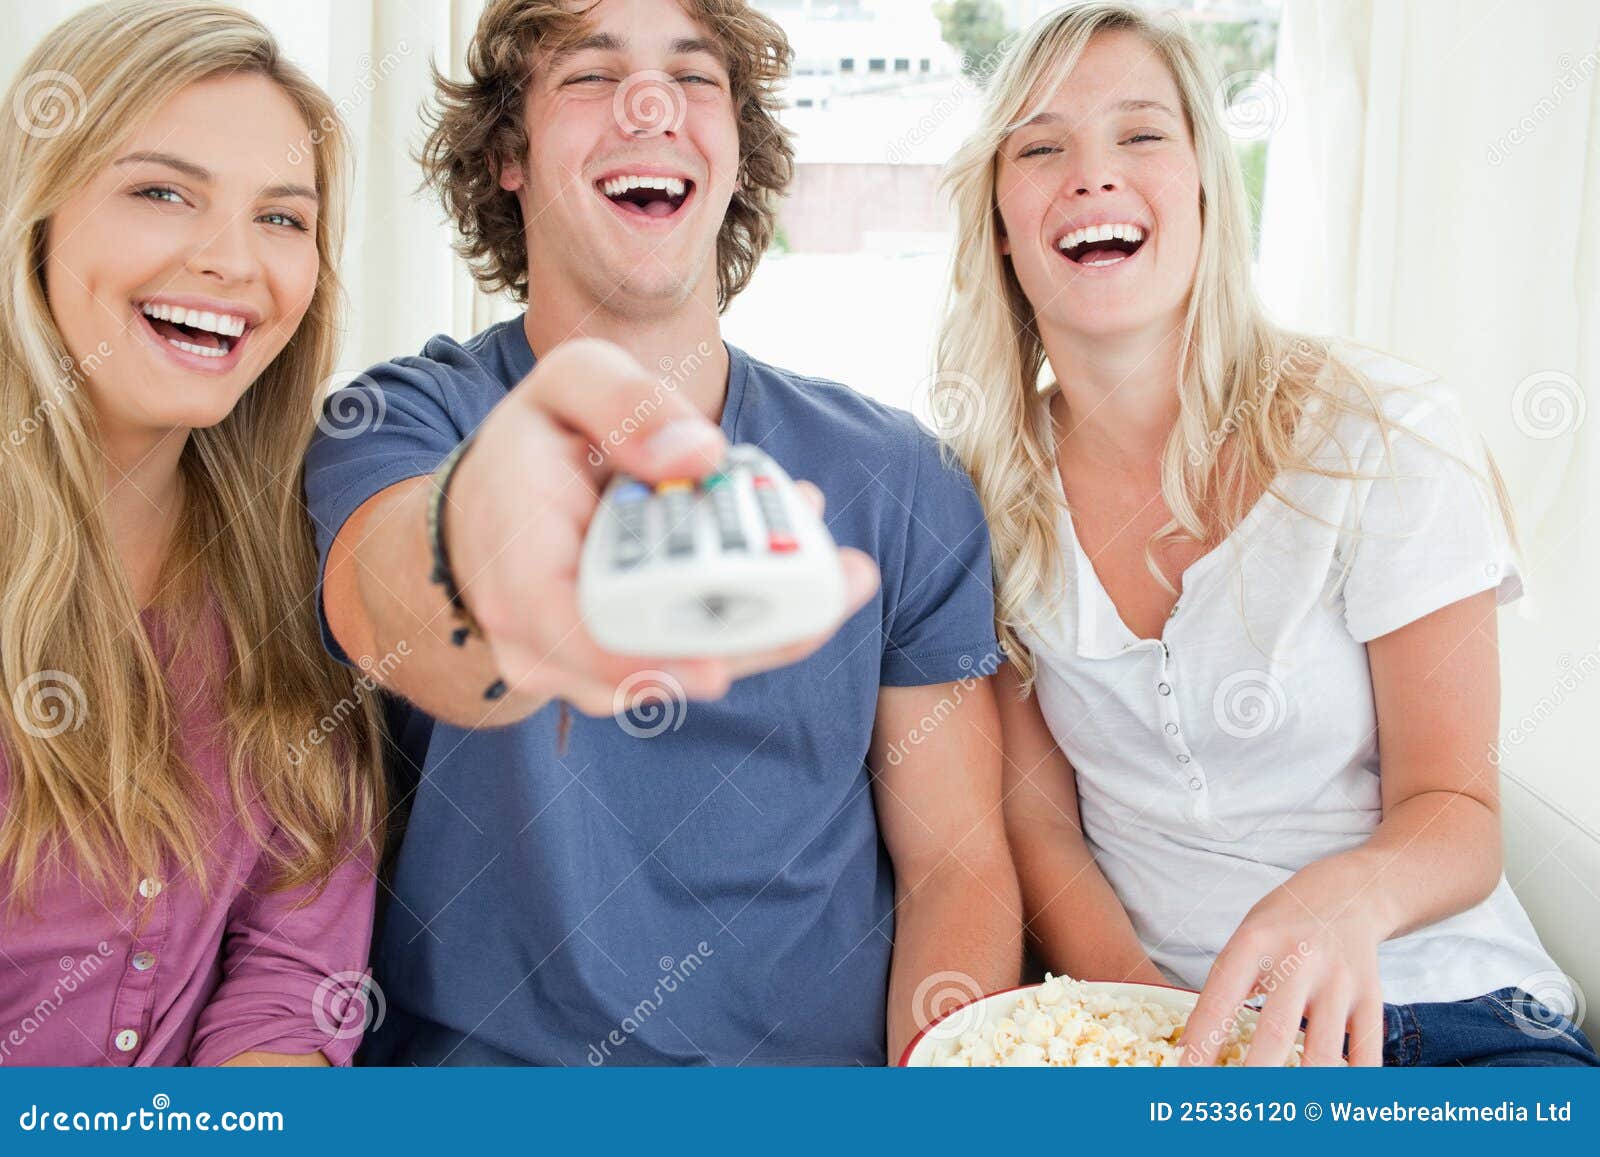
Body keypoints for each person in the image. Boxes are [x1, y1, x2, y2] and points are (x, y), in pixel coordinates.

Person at [306, 0, 1019, 1066]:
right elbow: (391, 593)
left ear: (735, 155)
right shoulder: (400, 422)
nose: (650, 102)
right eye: (590, 77)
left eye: (693, 79)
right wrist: (481, 552)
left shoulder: (896, 474)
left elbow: (954, 868)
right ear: (509, 154)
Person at [935, 0, 1597, 1067]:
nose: (1092, 173)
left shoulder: (1380, 429)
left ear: (1205, 187)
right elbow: (1040, 826)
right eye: (1042, 145)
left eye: (1141, 134)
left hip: (1444, 1017)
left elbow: (1456, 809)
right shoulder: (975, 490)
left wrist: (1339, 903)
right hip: (1162, 1033)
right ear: (1001, 221)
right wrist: (1151, 1027)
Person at [0, 0, 385, 1066]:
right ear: (36, 214)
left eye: (282, 217)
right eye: (160, 192)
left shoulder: (298, 556)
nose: (231, 262)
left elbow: (289, 978)